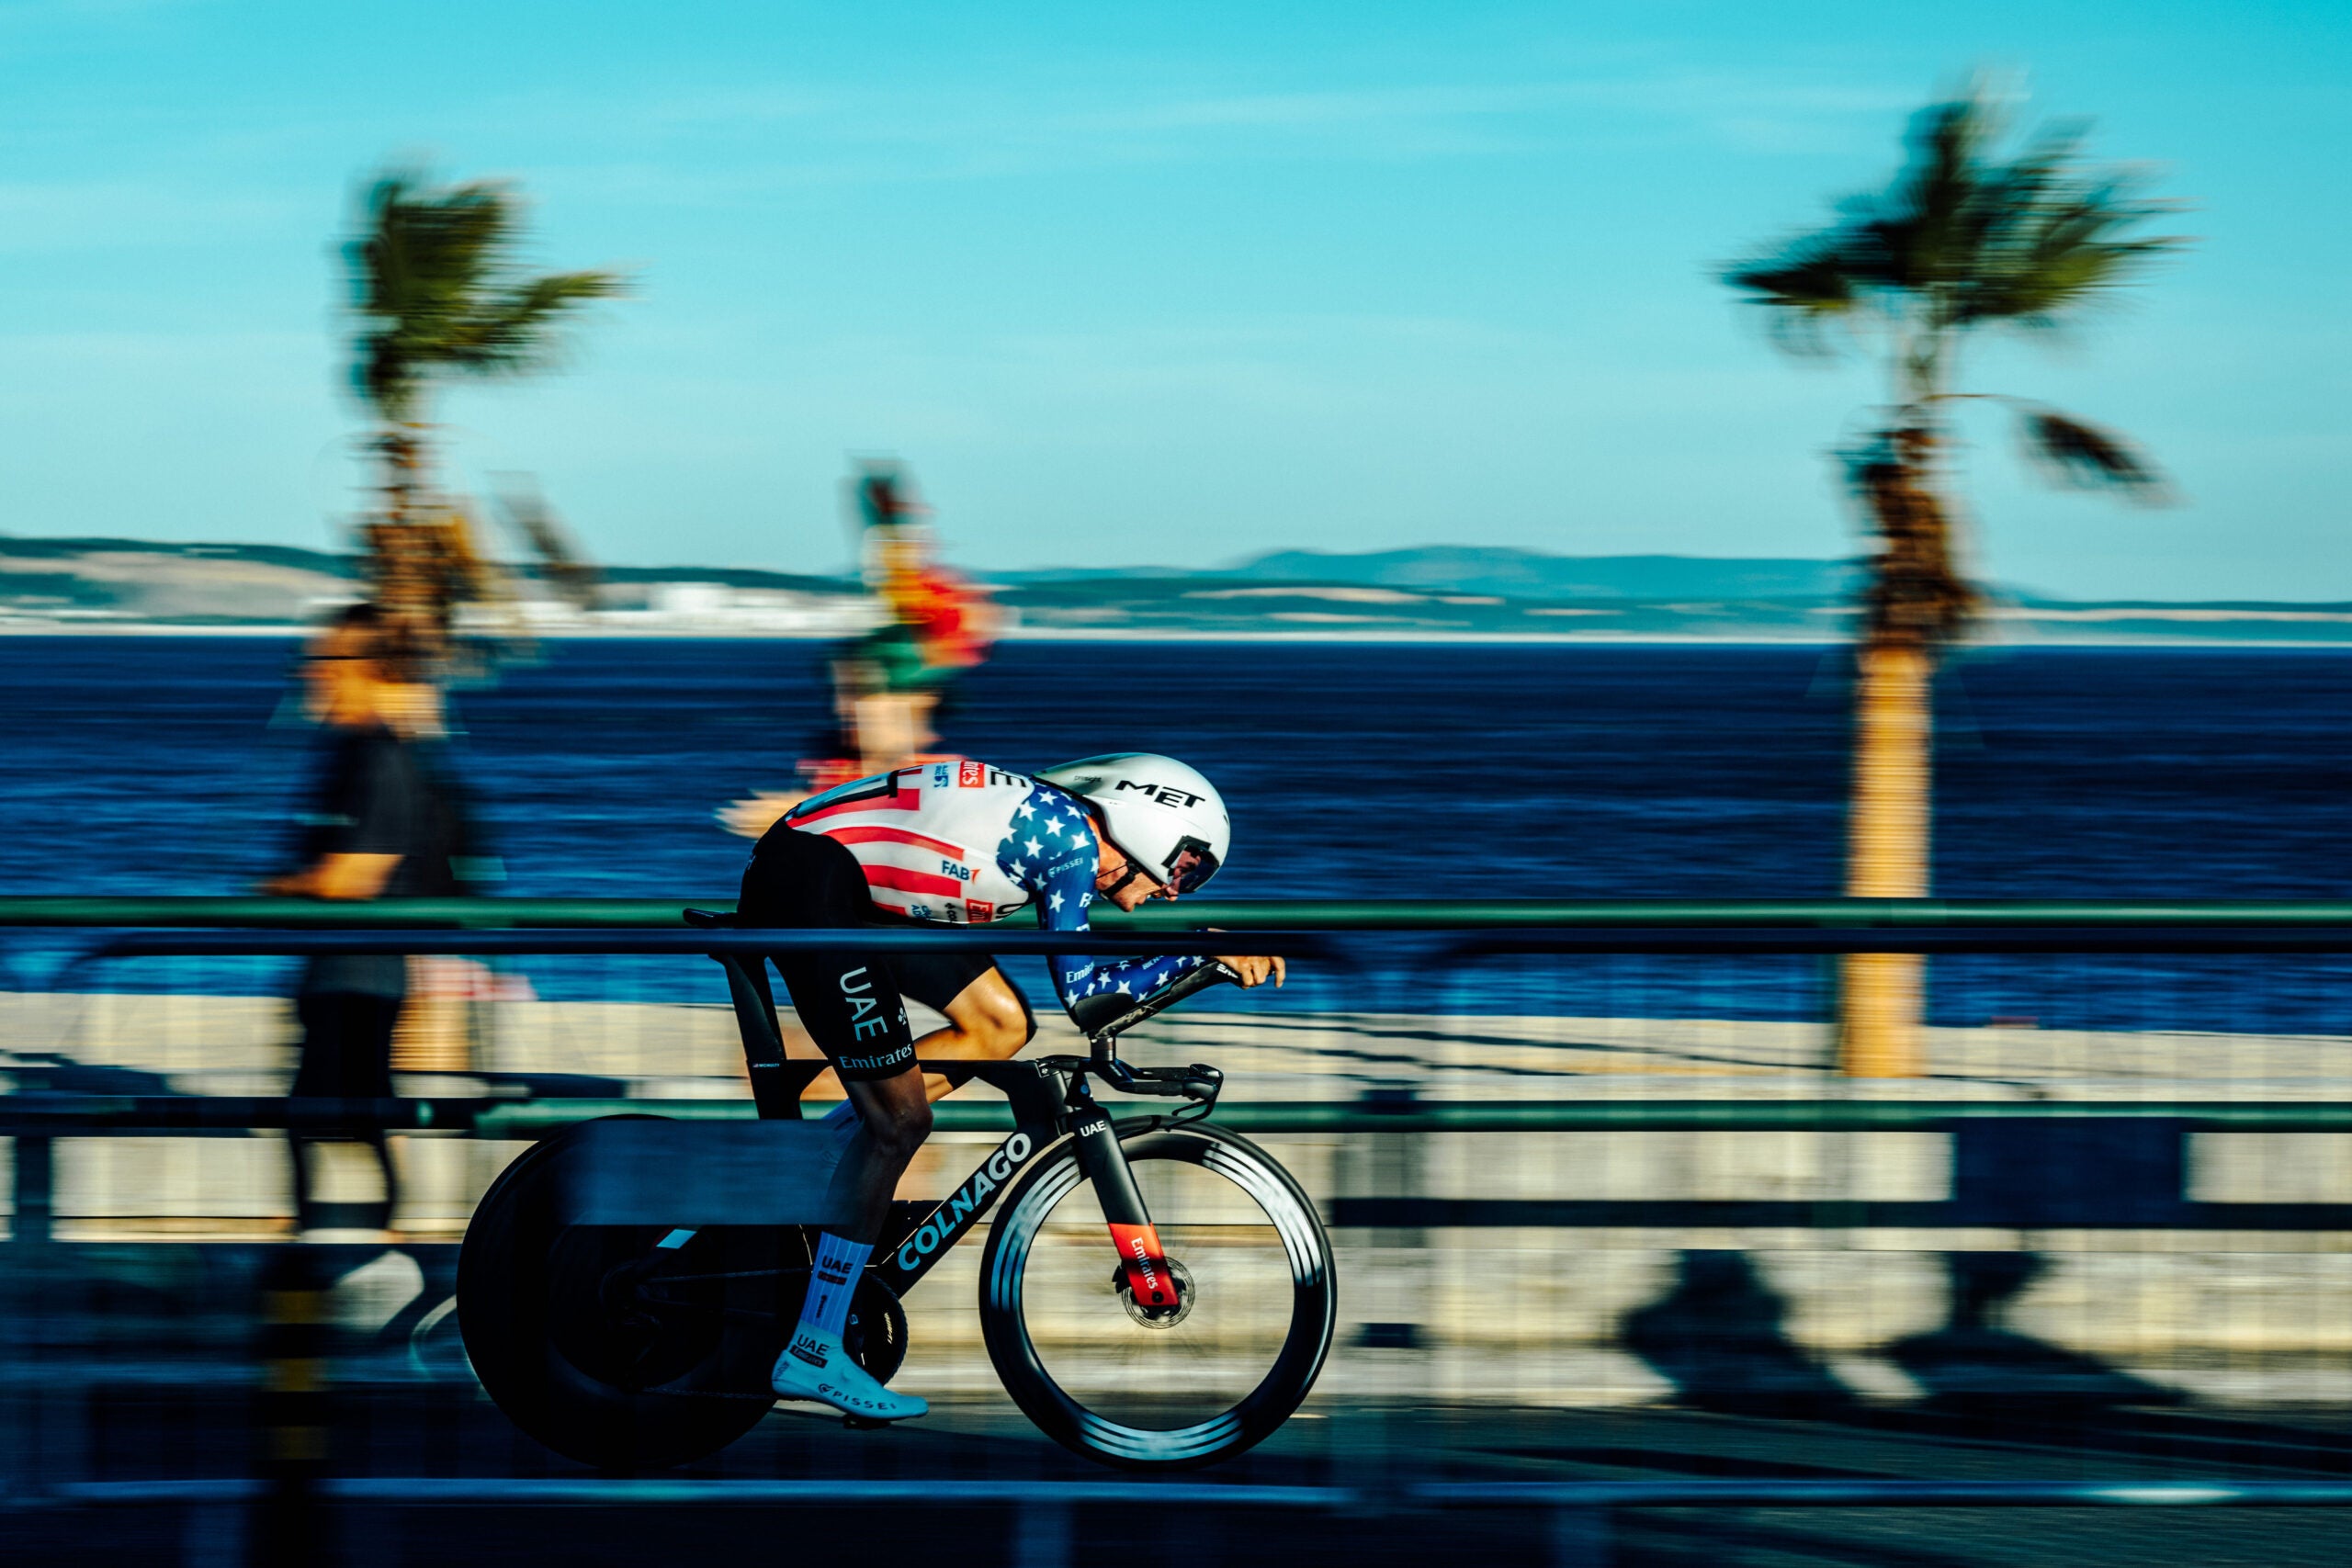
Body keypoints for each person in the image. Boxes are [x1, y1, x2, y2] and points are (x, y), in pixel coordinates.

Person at [739, 752, 1283, 1420]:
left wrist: (1196, 954)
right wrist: (1200, 952)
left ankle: (833, 1156)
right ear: (1146, 818)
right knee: (902, 1122)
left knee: (998, 1023)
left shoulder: (1060, 827)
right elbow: (1086, 998)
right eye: (1186, 866)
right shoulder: (1070, 842)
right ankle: (815, 1347)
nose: (1175, 890)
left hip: (842, 883)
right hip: (813, 882)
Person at [260, 604, 465, 1238]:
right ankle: (343, 1231)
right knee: (333, 1111)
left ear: (365, 666)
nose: (310, 675)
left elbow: (355, 876)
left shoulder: (378, 758)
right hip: (335, 971)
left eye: (323, 661)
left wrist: (278, 888)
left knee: (334, 1111)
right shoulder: (345, 753)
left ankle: (351, 1236)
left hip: (362, 976)